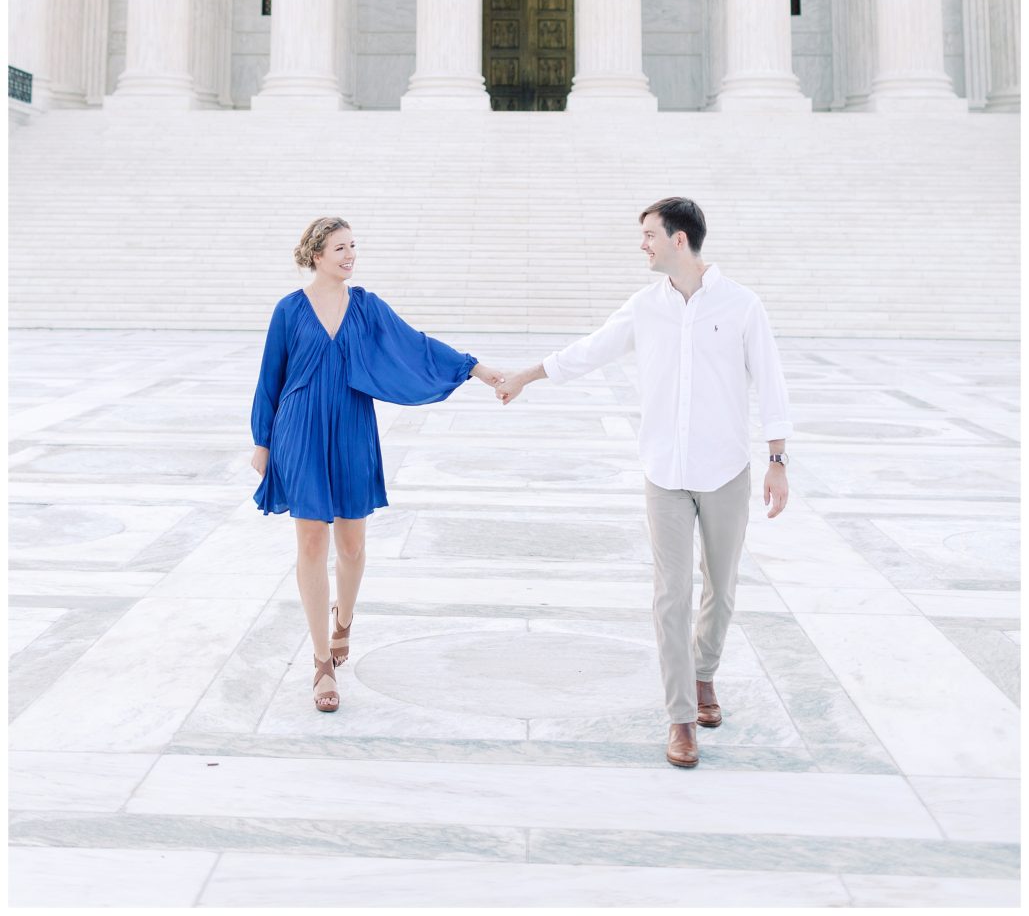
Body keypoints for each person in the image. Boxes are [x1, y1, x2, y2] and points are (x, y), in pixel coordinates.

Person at [496, 196, 792, 768]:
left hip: (726, 470)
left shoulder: (742, 306)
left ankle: (704, 673)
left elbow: (772, 383)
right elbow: (588, 351)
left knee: (722, 590)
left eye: (650, 235)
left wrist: (779, 461)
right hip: (665, 472)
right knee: (670, 594)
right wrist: (529, 375)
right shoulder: (644, 306)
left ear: (679, 240)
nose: (643, 245)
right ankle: (681, 717)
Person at [250, 216, 503, 713]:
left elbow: (414, 344)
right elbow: (269, 377)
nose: (350, 256)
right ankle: (322, 662)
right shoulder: (288, 309)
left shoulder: (365, 307)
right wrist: (263, 442)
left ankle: (343, 618)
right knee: (310, 542)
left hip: (350, 428)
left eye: (353, 247)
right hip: (299, 429)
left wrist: (473, 367)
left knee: (352, 542)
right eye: (340, 248)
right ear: (316, 254)